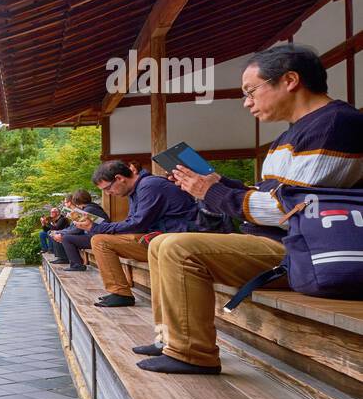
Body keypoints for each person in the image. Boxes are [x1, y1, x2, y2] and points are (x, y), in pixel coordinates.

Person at [134, 44, 363, 374]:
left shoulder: (335, 125)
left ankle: (190, 353)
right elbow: (274, 195)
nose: (247, 102)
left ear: (290, 80)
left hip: (304, 249)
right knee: (159, 244)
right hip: (282, 243)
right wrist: (217, 183)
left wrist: (212, 193)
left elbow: (290, 211)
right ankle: (169, 339)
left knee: (176, 248)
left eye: (251, 91)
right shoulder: (292, 133)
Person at [68, 159, 197, 307]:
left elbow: (137, 224)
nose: (108, 193)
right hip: (160, 238)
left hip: (179, 242)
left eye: (107, 188)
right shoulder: (136, 190)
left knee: (100, 241)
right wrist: (99, 227)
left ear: (119, 178)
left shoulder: (150, 186)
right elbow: (132, 222)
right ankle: (119, 292)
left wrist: (96, 228)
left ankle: (120, 293)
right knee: (101, 239)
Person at [50, 189, 109, 271]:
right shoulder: (92, 207)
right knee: (65, 236)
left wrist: (64, 233)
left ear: (76, 201)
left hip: (96, 237)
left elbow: (79, 229)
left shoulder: (88, 210)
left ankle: (77, 265)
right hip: (96, 235)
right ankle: (74, 262)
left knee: (66, 238)